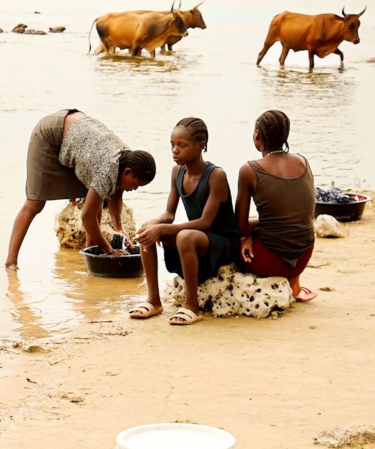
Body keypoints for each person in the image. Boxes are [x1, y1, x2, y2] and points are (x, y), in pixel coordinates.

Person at [6, 109, 156, 267]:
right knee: (35, 203)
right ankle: (11, 261)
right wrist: (109, 251)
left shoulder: (129, 159)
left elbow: (116, 193)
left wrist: (119, 227)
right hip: (51, 133)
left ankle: (90, 258)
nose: (134, 189)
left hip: (78, 133)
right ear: (127, 172)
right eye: (135, 184)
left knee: (95, 199)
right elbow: (87, 217)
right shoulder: (107, 171)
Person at [130, 118, 239, 325]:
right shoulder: (177, 172)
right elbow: (169, 214)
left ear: (201, 146)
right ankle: (153, 301)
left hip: (222, 242)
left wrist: (163, 229)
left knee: (184, 237)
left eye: (182, 145)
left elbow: (206, 222)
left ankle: (192, 306)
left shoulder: (215, 175)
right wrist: (155, 224)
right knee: (147, 229)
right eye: (172, 144)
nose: (175, 150)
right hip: (198, 238)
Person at [235, 110, 317, 302]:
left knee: (226, 238)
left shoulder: (249, 170)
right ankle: (295, 283)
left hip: (270, 261)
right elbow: (298, 216)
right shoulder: (303, 162)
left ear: (257, 134)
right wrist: (257, 231)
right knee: (287, 228)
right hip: (303, 257)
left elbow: (239, 226)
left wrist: (250, 235)